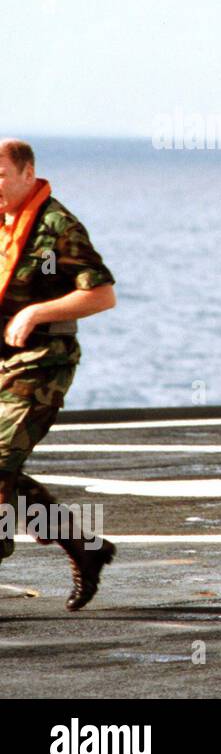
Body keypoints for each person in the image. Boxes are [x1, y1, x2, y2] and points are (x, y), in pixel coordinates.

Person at [0, 138, 117, 610]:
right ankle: (84, 548)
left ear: (29, 174)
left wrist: (36, 314)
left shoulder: (57, 227)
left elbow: (102, 294)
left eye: (2, 177)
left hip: (42, 365)